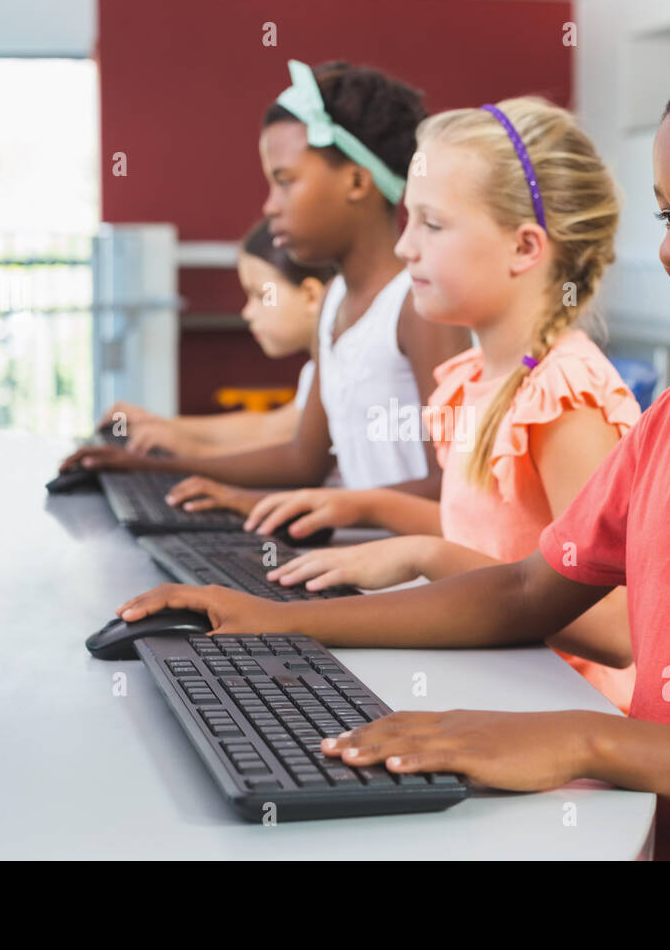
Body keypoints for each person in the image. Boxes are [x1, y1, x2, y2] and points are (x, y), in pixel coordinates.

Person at [116, 40, 670, 860]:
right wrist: (279, 623)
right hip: (652, 828)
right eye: (667, 215)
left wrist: (587, 739)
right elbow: (529, 589)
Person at [234, 97, 639, 712]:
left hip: (565, 715)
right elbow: (493, 538)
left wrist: (425, 555)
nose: (405, 248)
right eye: (408, 221)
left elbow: (616, 628)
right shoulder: (477, 377)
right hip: (498, 684)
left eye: (433, 224)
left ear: (525, 248)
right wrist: (366, 508)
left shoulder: (565, 400)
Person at [59, 59, 471, 511]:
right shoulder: (334, 302)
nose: (270, 206)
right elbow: (301, 460)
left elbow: (452, 484)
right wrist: (150, 468)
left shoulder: (416, 305)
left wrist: (297, 503)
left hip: (407, 577)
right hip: (360, 561)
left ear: (357, 181)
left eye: (285, 182)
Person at [97, 218, 333, 462]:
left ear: (311, 297)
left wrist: (191, 452)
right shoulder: (317, 370)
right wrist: (161, 425)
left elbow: (289, 452)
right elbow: (268, 428)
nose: (247, 312)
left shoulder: (340, 371)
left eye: (262, 295)